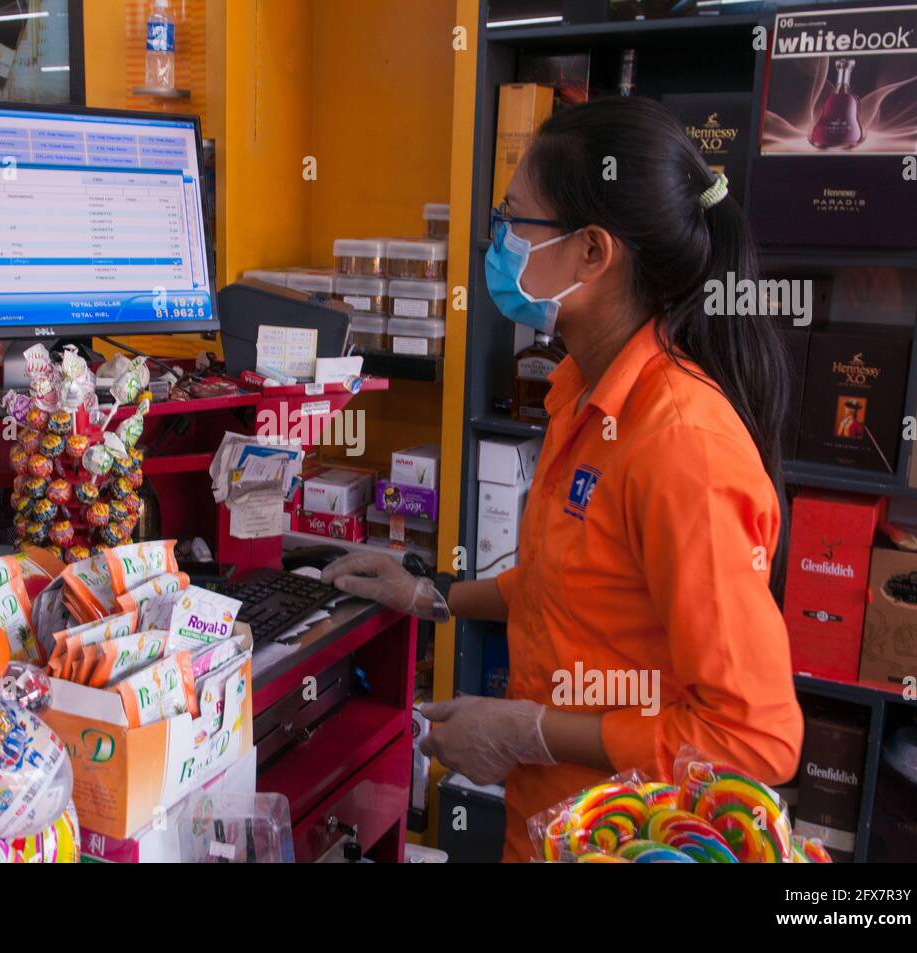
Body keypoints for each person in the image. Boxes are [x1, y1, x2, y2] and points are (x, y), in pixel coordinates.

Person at [323, 96, 804, 861]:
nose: (500, 242)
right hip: (554, 829)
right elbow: (575, 583)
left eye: (516, 220)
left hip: (635, 839)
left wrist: (526, 732)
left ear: (591, 253)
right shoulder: (583, 387)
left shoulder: (683, 444)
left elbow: (753, 738)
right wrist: (432, 593)